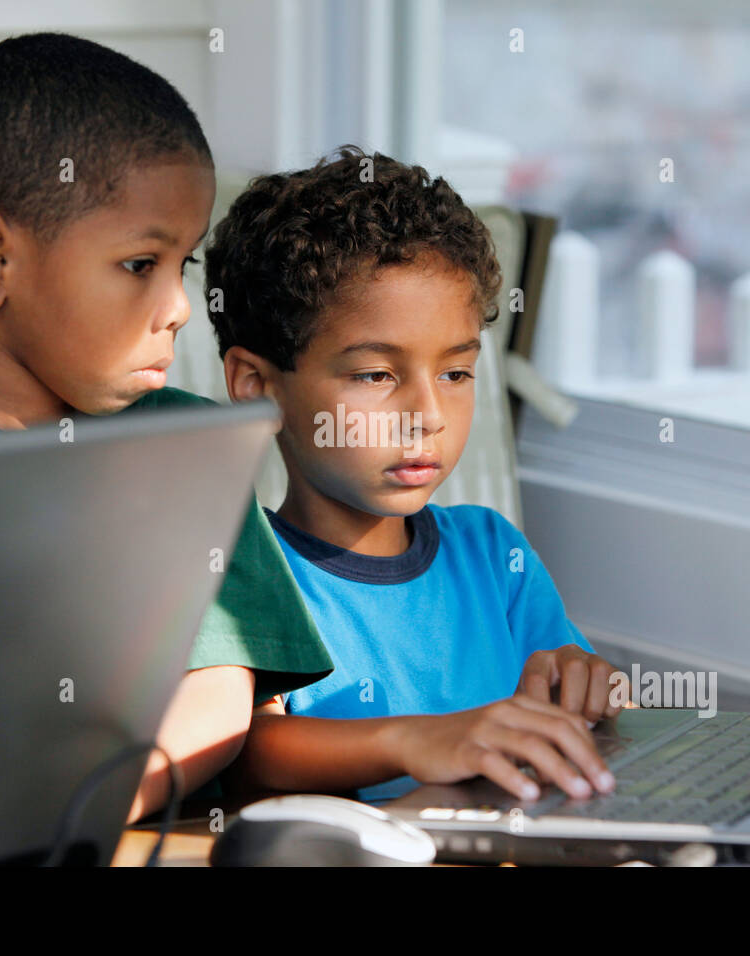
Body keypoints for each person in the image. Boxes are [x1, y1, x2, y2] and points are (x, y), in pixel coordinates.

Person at [0, 33, 332, 821]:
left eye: (183, 264)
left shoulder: (190, 454)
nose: (181, 306)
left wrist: (70, 810)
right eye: (139, 264)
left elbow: (220, 701)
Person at [205, 147, 627, 803]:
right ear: (259, 386)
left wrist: (581, 681)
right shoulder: (242, 570)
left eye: (455, 373)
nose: (427, 415)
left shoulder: (495, 554)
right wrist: (418, 740)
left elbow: (562, 698)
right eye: (376, 375)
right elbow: (246, 756)